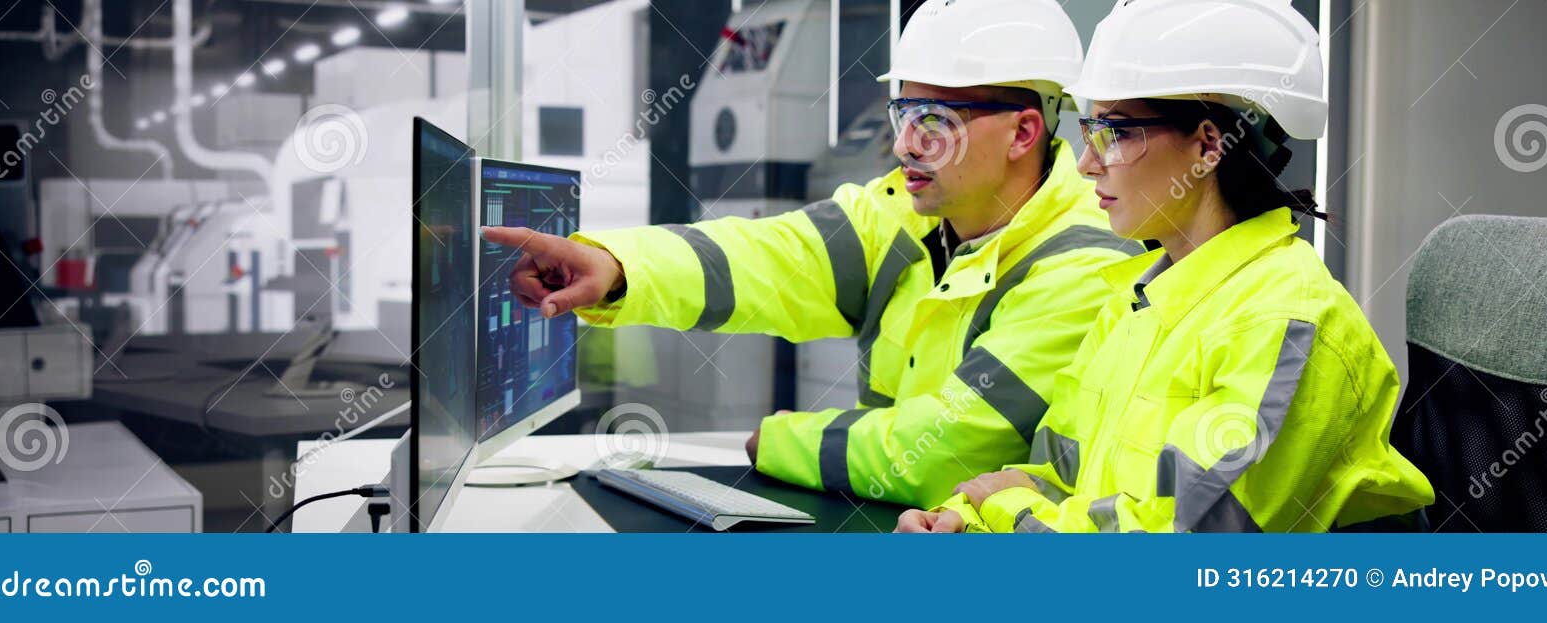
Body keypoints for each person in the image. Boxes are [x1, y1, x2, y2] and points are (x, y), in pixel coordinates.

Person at [480, 0, 1140, 508]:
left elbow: (944, 452)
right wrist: (619, 268)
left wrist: (782, 440)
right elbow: (769, 256)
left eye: (933, 120)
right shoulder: (904, 219)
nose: (905, 145)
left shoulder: (1084, 260)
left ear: (1024, 130)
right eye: (900, 113)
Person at [898, 0, 1434, 532]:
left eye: (1115, 132)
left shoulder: (1286, 322)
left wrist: (1006, 511)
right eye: (1088, 132)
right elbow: (1059, 479)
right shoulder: (1136, 300)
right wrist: (960, 516)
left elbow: (1182, 546)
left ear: (1207, 145)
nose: (1086, 164)